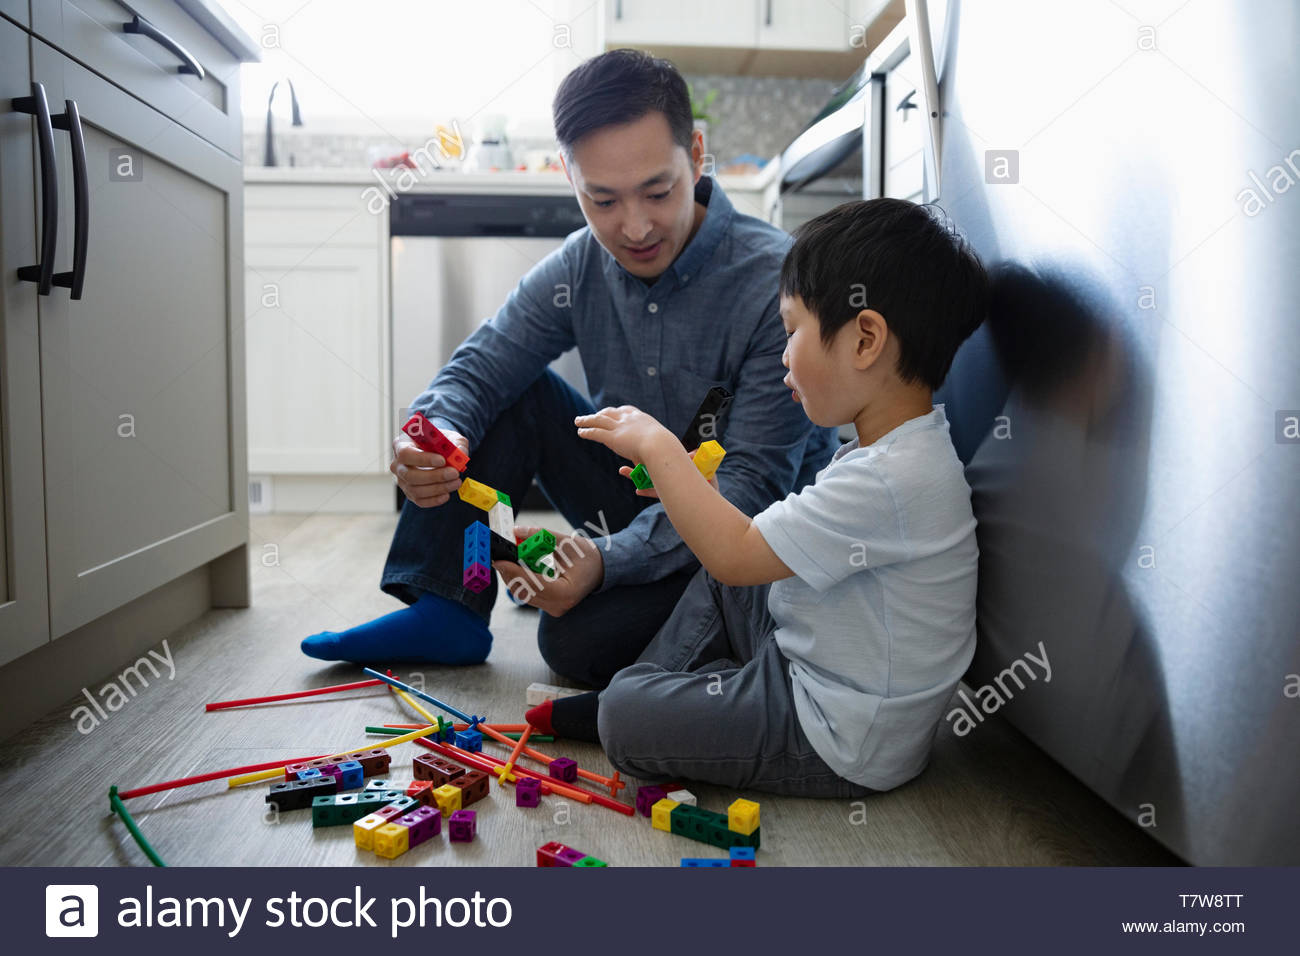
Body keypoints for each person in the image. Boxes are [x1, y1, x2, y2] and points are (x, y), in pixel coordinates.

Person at [300, 49, 836, 686]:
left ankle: (730, 644)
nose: (634, 227)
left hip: (739, 536)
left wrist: (603, 561)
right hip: (635, 496)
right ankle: (446, 606)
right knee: (502, 396)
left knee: (574, 643)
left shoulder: (771, 282)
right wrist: (433, 434)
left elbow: (749, 492)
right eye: (602, 199)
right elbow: (479, 368)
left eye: (657, 192)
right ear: (569, 175)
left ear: (696, 155)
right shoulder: (580, 266)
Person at [530, 198, 988, 795]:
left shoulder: (890, 478)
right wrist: (695, 487)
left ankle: (637, 702)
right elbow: (745, 553)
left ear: (865, 339)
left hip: (832, 732)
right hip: (813, 664)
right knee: (725, 582)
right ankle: (660, 691)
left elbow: (736, 551)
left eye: (793, 330)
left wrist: (663, 451)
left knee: (624, 719)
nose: (783, 356)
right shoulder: (897, 454)